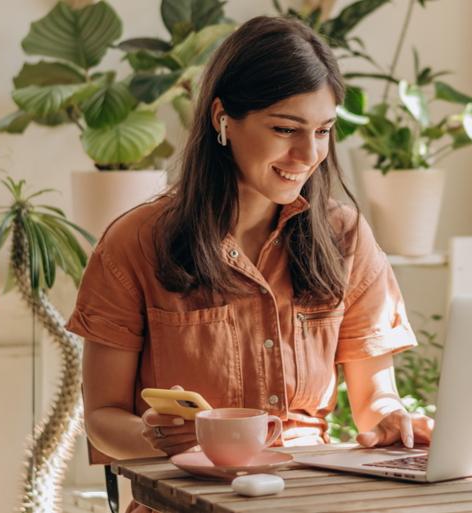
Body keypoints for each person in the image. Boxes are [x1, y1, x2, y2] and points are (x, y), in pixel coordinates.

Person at [67, 15, 434, 512]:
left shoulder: (344, 236)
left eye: (323, 130)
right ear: (223, 118)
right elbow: (103, 417)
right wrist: (155, 439)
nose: (308, 154)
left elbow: (375, 402)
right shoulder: (136, 242)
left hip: (311, 499)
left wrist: (394, 419)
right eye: (285, 128)